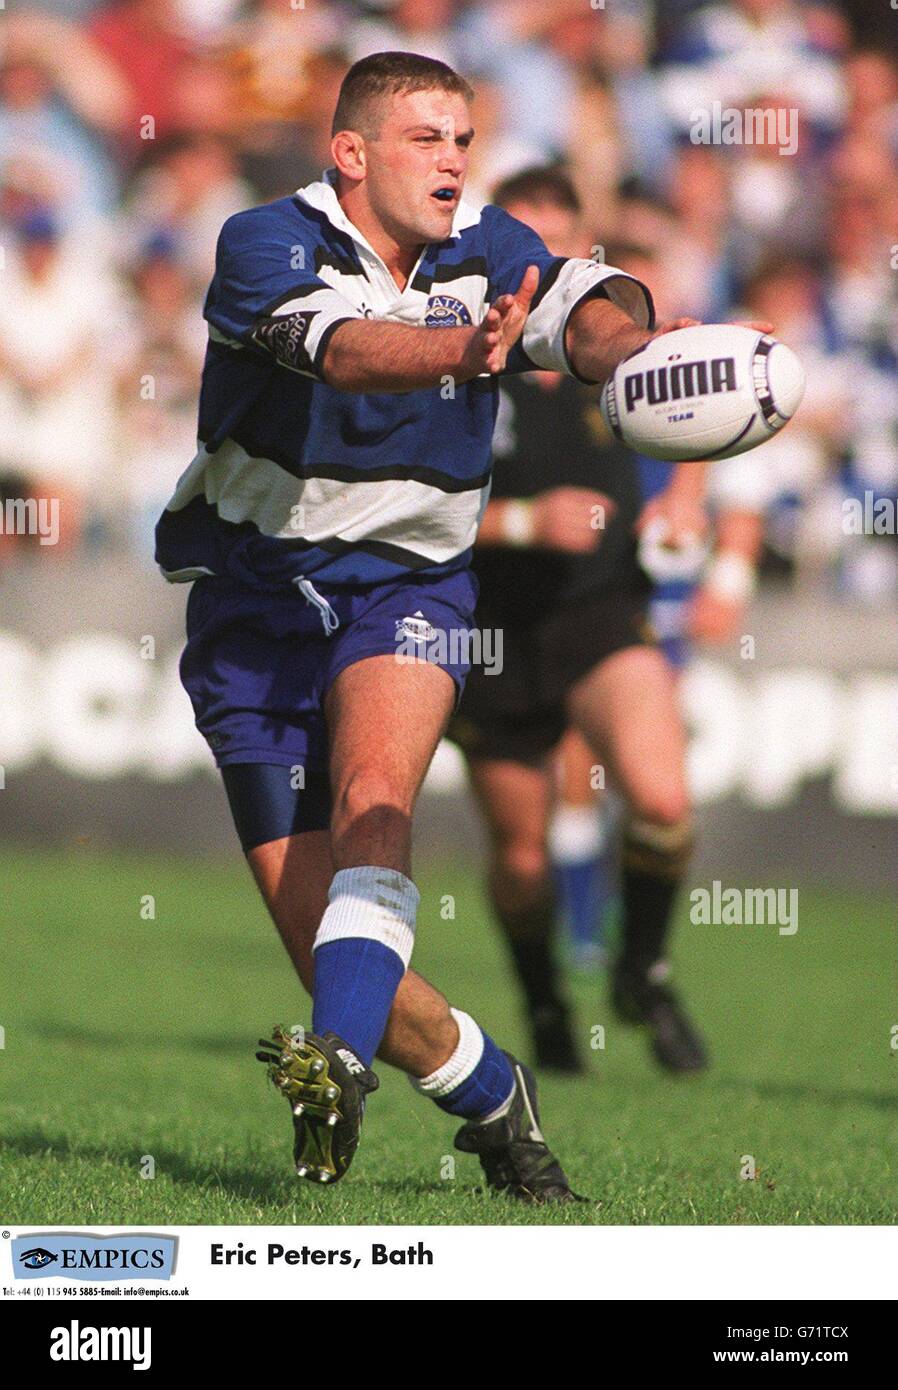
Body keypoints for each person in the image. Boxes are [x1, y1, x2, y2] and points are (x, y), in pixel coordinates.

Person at [156, 51, 686, 1200]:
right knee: (337, 956)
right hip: (253, 610)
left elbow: (588, 307)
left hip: (410, 587)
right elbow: (346, 351)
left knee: (373, 806)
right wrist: (465, 348)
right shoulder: (265, 242)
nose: (452, 160)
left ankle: (333, 1064)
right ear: (350, 154)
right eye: (424, 139)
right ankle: (496, 1094)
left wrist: (635, 352)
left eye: (463, 137)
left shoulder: (488, 246)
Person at [447, 168, 709, 1076]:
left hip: (601, 610)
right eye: (528, 246)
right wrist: (522, 521)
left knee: (663, 801)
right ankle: (546, 1007)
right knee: (522, 861)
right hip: (492, 628)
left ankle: (643, 970)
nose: (540, 271)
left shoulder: (610, 355)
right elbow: (402, 512)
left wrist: (688, 497)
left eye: (560, 250)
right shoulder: (456, 364)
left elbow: (696, 415)